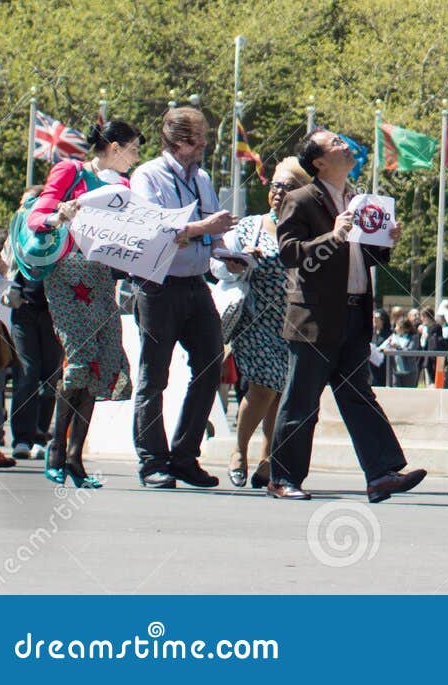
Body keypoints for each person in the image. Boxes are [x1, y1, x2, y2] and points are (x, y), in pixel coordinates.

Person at [269, 130, 426, 503]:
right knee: (301, 401)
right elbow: (290, 255)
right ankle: (283, 477)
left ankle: (382, 474)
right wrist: (334, 236)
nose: (345, 146)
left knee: (358, 396)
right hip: (314, 318)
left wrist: (384, 241)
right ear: (319, 162)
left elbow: (360, 259)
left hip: (354, 312)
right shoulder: (301, 199)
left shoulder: (358, 199)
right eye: (335, 144)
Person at [23, 121, 141, 487]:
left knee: (99, 361)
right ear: (115, 148)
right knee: (78, 359)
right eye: (134, 150)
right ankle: (55, 450)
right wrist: (60, 215)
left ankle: (75, 457)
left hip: (100, 278)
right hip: (66, 275)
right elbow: (36, 217)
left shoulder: (124, 188)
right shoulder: (71, 171)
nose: (136, 158)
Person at [128, 106, 237, 489]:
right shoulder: (148, 176)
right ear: (176, 141)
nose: (203, 144)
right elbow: (152, 232)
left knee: (210, 364)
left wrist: (230, 255)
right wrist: (202, 227)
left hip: (195, 284)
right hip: (157, 286)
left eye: (203, 136)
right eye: (196, 139)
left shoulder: (202, 178)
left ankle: (184, 456)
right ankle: (152, 461)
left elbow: (214, 234)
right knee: (154, 374)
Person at [215, 156, 311, 490]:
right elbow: (219, 265)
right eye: (276, 185)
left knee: (281, 392)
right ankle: (239, 451)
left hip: (294, 322)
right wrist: (240, 261)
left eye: (289, 187)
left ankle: (268, 458)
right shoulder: (250, 226)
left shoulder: (307, 229)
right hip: (256, 320)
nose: (279, 192)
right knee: (262, 387)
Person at [3, 188, 60, 461]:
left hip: (54, 313)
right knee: (27, 374)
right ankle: (22, 438)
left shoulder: (60, 236)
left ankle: (40, 435)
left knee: (50, 377)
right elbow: (9, 267)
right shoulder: (19, 235)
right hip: (24, 311)